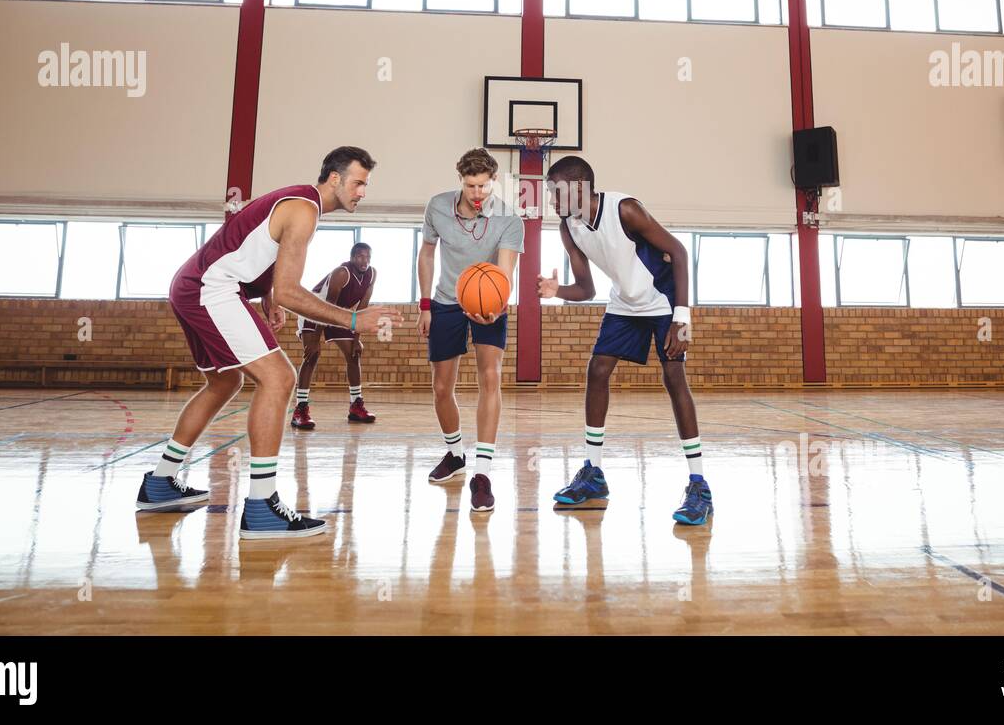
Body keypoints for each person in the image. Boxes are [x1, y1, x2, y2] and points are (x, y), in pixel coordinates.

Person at [136, 146, 402, 541]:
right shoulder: (304, 210)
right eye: (359, 182)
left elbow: (254, 250)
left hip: (195, 285)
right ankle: (261, 506)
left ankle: (160, 481)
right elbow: (292, 291)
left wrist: (266, 299)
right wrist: (351, 319)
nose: (363, 192)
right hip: (212, 289)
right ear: (334, 179)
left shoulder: (297, 203)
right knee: (279, 378)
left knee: (225, 383)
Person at [536, 155, 713, 526]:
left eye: (556, 191)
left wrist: (682, 318)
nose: (552, 200)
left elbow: (678, 252)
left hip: (662, 298)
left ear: (578, 188)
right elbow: (586, 289)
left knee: (673, 377)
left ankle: (699, 485)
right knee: (598, 370)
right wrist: (556, 291)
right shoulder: (569, 228)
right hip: (625, 302)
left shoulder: (625, 209)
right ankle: (594, 474)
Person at [416, 148, 523, 512]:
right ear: (460, 180)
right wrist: (425, 303)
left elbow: (506, 271)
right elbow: (427, 254)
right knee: (442, 387)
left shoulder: (509, 218)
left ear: (493, 181)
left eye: (484, 186)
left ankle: (483, 473)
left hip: (488, 301)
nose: (477, 193)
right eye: (470, 185)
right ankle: (455, 454)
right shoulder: (437, 207)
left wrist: (497, 304)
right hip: (447, 300)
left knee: (490, 377)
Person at [293, 242, 377, 427]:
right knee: (312, 355)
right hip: (314, 309)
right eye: (361, 257)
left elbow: (361, 308)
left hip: (339, 312)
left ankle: (356, 406)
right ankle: (300, 409)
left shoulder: (372, 274)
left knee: (354, 355)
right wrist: (315, 340)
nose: (365, 261)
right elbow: (327, 307)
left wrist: (357, 339)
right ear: (353, 257)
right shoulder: (342, 273)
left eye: (368, 257)